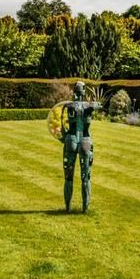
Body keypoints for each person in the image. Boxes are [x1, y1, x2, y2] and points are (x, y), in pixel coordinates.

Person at [62, 81, 101, 212]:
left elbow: (60, 122)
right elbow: (97, 105)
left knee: (68, 177)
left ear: (74, 91)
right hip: (85, 140)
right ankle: (85, 208)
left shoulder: (68, 105)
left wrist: (62, 136)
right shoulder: (89, 106)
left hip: (71, 139)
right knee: (86, 177)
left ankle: (67, 207)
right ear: (84, 91)